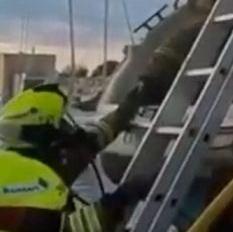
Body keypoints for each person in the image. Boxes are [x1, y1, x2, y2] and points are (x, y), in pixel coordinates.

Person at [0, 84, 147, 232]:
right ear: (44, 134)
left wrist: (130, 105)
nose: (70, 131)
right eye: (62, 124)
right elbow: (67, 228)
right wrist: (122, 198)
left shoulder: (28, 163)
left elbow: (94, 138)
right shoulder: (36, 177)